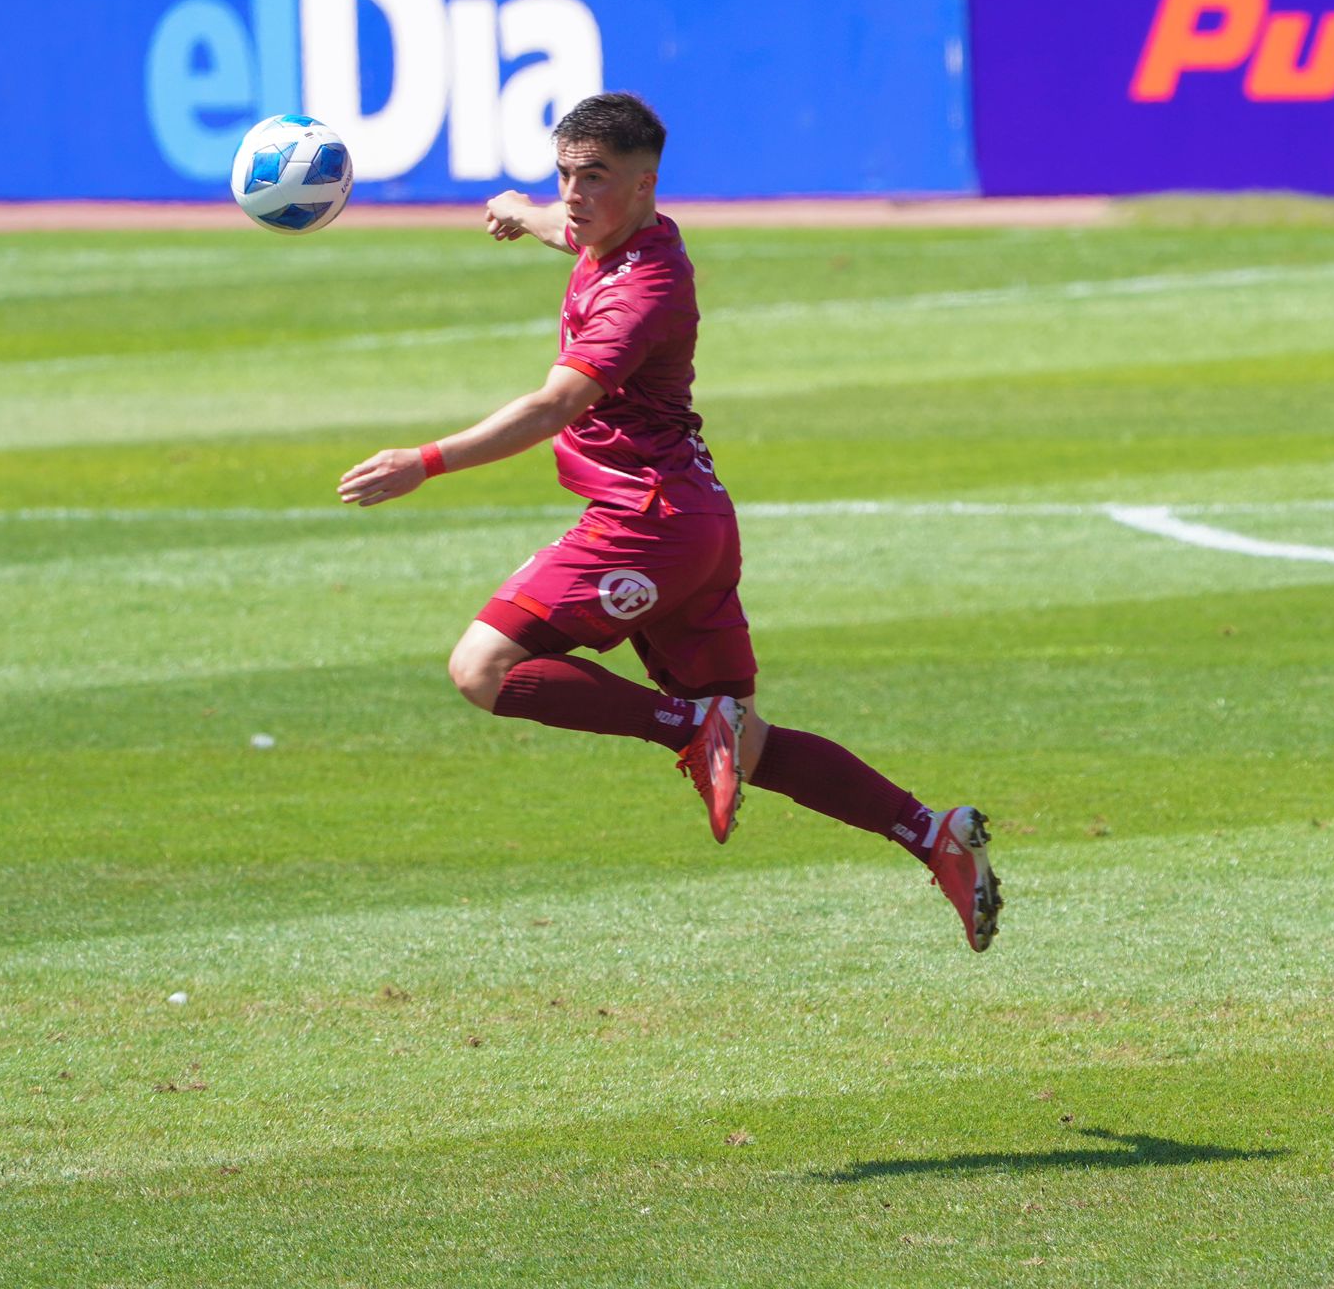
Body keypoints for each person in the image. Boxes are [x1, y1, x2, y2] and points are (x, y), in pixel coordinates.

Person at [338, 92, 1002, 951]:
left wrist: (423, 463)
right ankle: (934, 835)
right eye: (565, 175)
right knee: (752, 747)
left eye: (595, 179)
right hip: (698, 522)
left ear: (646, 182)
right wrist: (518, 209)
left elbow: (554, 406)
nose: (574, 196)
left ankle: (690, 726)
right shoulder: (614, 231)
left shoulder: (642, 292)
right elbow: (565, 228)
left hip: (643, 520)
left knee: (483, 670)